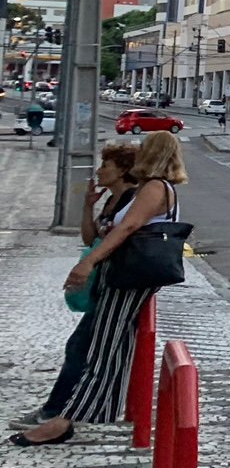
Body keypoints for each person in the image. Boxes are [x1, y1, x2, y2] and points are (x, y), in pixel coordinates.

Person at [10, 130, 186, 447]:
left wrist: (88, 262)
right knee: (109, 347)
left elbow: (129, 228)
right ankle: (87, 411)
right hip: (125, 276)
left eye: (145, 148)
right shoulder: (153, 187)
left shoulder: (155, 188)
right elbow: (106, 231)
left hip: (129, 278)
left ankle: (62, 421)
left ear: (155, 153)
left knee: (101, 349)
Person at [12, 143, 141, 431]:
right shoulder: (112, 202)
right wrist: (88, 205)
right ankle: (66, 410)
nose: (99, 170)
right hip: (103, 286)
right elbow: (90, 238)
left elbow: (121, 239)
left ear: (121, 170)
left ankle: (58, 411)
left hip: (117, 285)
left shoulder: (131, 203)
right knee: (82, 348)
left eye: (105, 165)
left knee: (80, 348)